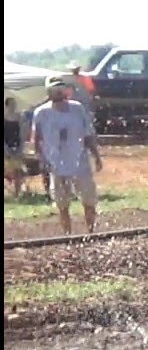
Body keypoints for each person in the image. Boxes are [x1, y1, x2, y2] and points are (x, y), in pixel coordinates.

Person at [31, 75, 103, 234]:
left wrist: (96, 156)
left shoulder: (77, 108)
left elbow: (88, 135)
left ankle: (91, 232)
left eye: (60, 89)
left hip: (80, 162)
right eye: (54, 90)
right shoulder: (41, 113)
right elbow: (36, 139)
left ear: (65, 90)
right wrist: (42, 159)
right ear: (49, 92)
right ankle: (67, 235)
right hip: (56, 164)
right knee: (62, 204)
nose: (58, 93)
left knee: (88, 200)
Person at [4, 97, 26, 196]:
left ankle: (17, 193)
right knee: (7, 171)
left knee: (17, 171)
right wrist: (6, 149)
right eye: (12, 104)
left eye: (15, 104)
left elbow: (22, 133)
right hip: (6, 147)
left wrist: (20, 148)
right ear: (7, 105)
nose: (14, 106)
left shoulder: (19, 117)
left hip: (17, 147)